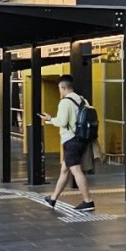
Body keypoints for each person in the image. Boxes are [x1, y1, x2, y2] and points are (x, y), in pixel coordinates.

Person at [39, 75, 96, 212]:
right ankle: (53, 199)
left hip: (71, 141)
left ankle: (88, 201)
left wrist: (49, 119)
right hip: (82, 139)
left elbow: (62, 122)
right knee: (64, 170)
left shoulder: (65, 102)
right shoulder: (82, 99)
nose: (59, 90)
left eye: (59, 88)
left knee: (76, 171)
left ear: (63, 87)